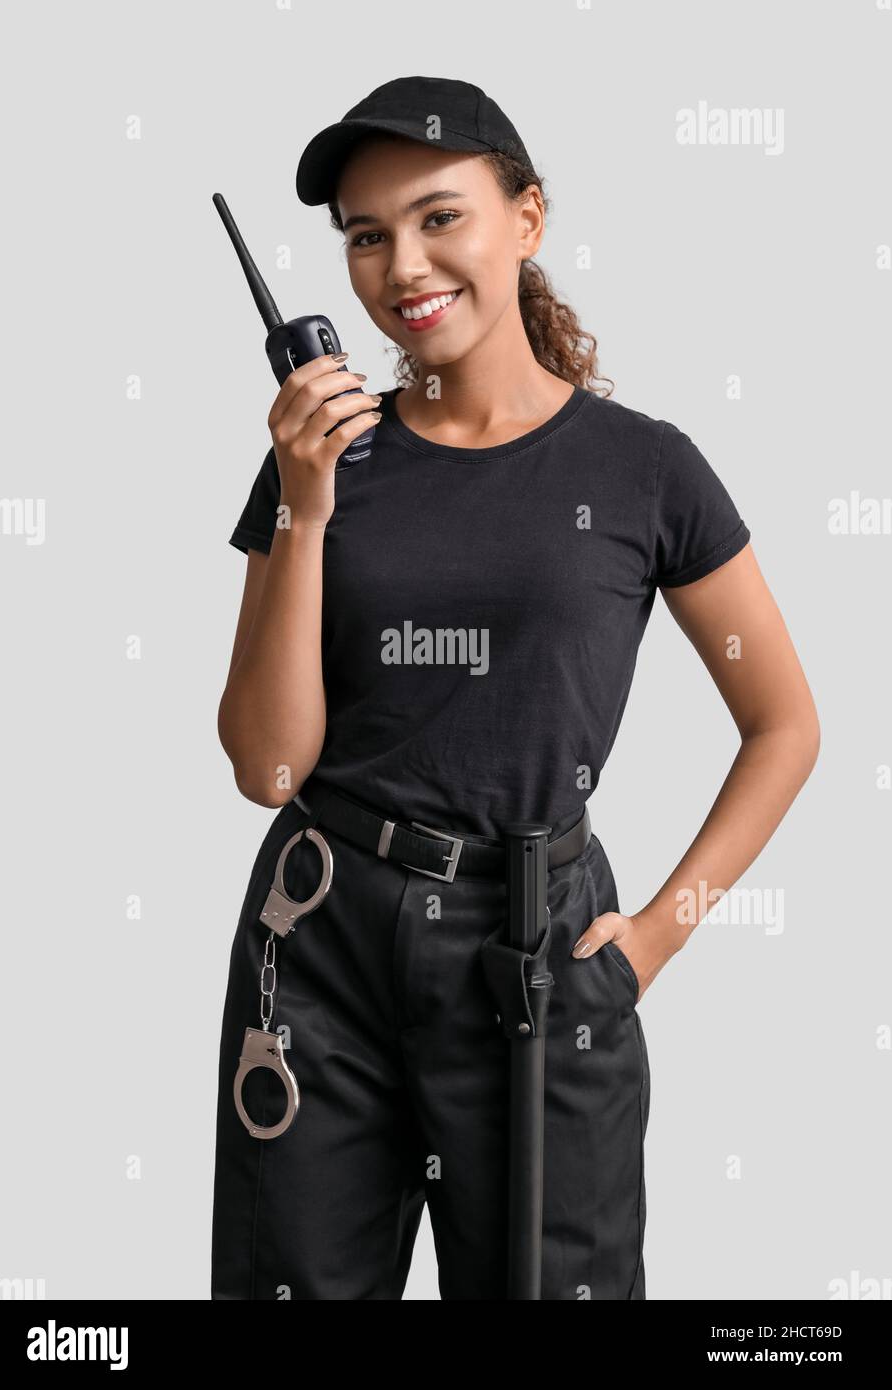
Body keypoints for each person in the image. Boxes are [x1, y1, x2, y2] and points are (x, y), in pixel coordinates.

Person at [210, 76, 820, 1301]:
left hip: (540, 951)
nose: (402, 264)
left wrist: (653, 938)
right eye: (367, 236)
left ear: (527, 218)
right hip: (318, 944)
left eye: (441, 218)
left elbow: (785, 724)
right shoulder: (318, 461)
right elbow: (267, 769)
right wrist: (307, 505)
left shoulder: (647, 470)